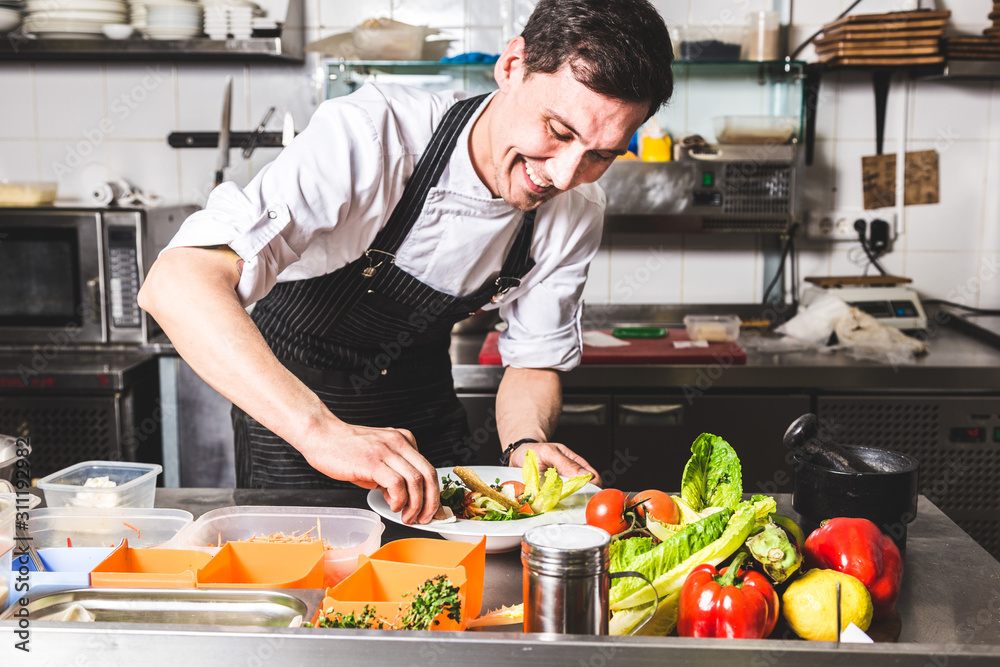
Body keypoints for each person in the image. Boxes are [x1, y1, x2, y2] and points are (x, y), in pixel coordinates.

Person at [138, 0, 674, 525]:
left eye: (602, 154)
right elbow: (177, 282)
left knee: (449, 586)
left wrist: (526, 444)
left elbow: (533, 358)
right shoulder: (373, 134)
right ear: (512, 66)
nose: (563, 176)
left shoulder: (576, 208)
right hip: (295, 413)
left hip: (423, 410)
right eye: (558, 132)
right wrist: (319, 430)